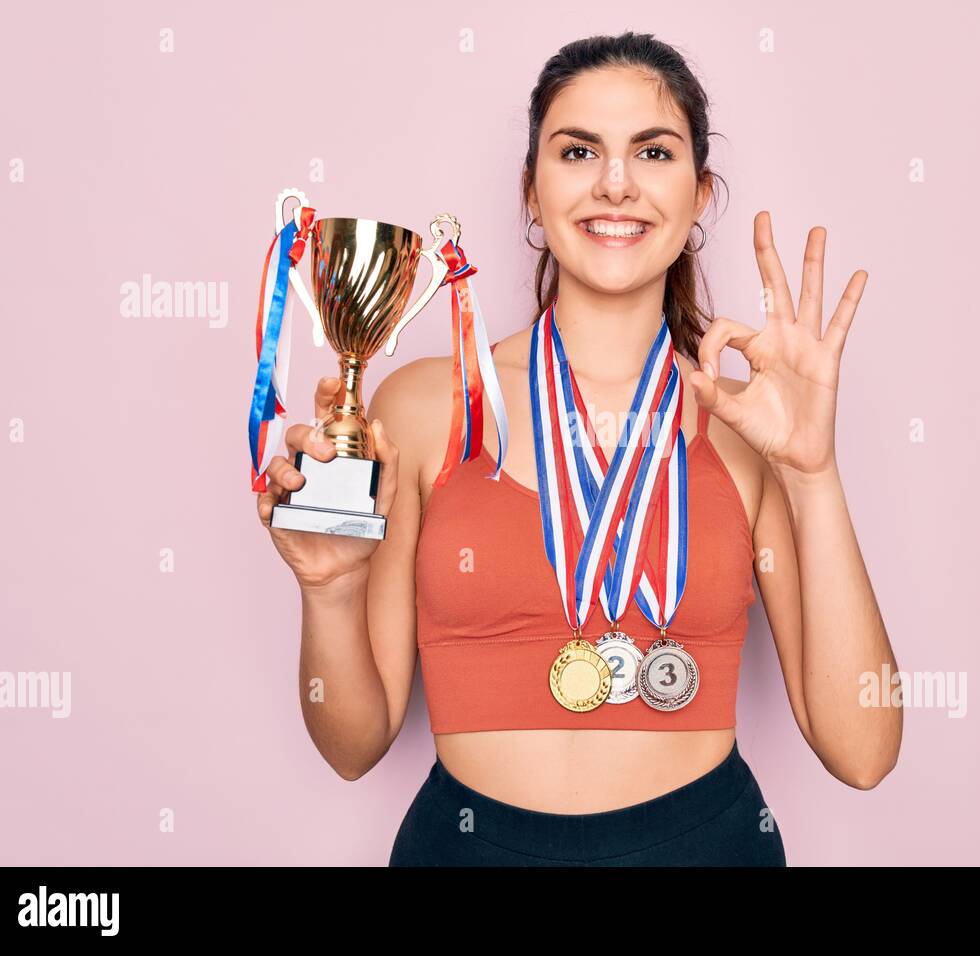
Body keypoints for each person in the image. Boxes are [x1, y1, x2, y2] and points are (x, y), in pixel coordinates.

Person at [256, 31, 901, 867]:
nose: (616, 183)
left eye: (654, 151)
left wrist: (813, 472)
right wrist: (330, 591)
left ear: (701, 193)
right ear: (532, 191)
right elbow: (354, 747)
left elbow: (863, 753)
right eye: (578, 150)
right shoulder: (421, 406)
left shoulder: (752, 427)